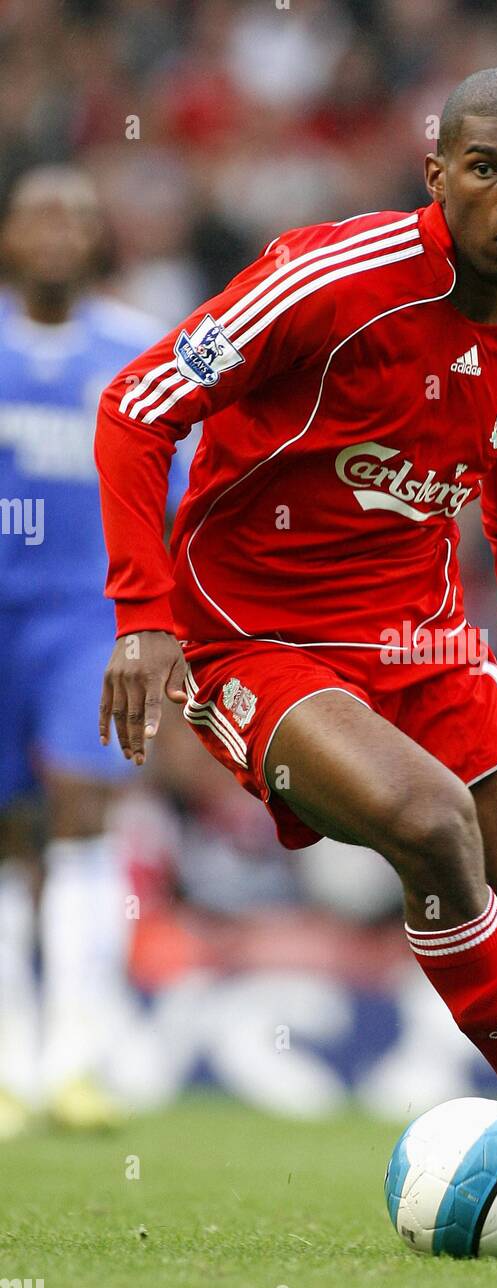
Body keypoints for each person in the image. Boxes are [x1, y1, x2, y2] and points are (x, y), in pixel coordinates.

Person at [96, 67, 497, 1258]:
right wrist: (142, 616)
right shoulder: (330, 280)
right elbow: (137, 408)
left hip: (422, 644)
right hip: (254, 639)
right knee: (432, 825)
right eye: (484, 169)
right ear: (435, 175)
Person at [0, 167, 177, 1135]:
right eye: (37, 217)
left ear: (98, 238)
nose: (57, 233)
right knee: (6, 832)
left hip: (87, 617)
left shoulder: (133, 349)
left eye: (76, 215)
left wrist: (164, 626)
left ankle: (76, 1058)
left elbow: (178, 494)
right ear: (8, 238)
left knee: (79, 799)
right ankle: (10, 1062)